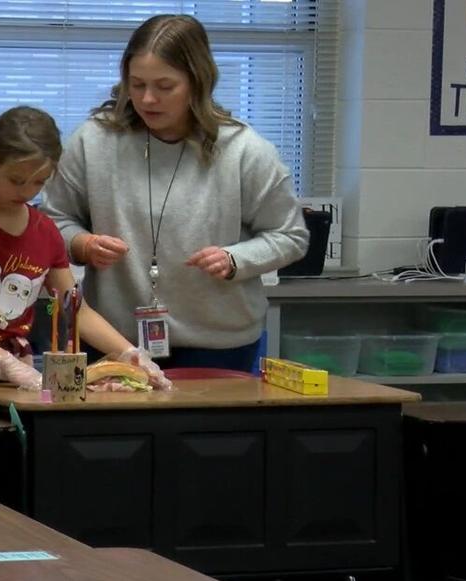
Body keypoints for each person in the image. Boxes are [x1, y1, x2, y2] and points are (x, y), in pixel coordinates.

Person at [42, 14, 309, 372]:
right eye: (137, 85)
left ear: (197, 83)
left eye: (165, 86)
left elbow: (290, 236)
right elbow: (51, 221)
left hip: (218, 343)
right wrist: (81, 244)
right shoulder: (93, 141)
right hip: (113, 339)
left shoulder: (245, 150)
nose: (148, 99)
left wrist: (235, 260)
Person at [0, 106, 170, 406]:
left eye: (39, 183)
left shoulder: (45, 230)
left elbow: (76, 310)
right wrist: (4, 362)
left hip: (8, 388)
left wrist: (131, 355)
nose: (27, 191)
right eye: (16, 180)